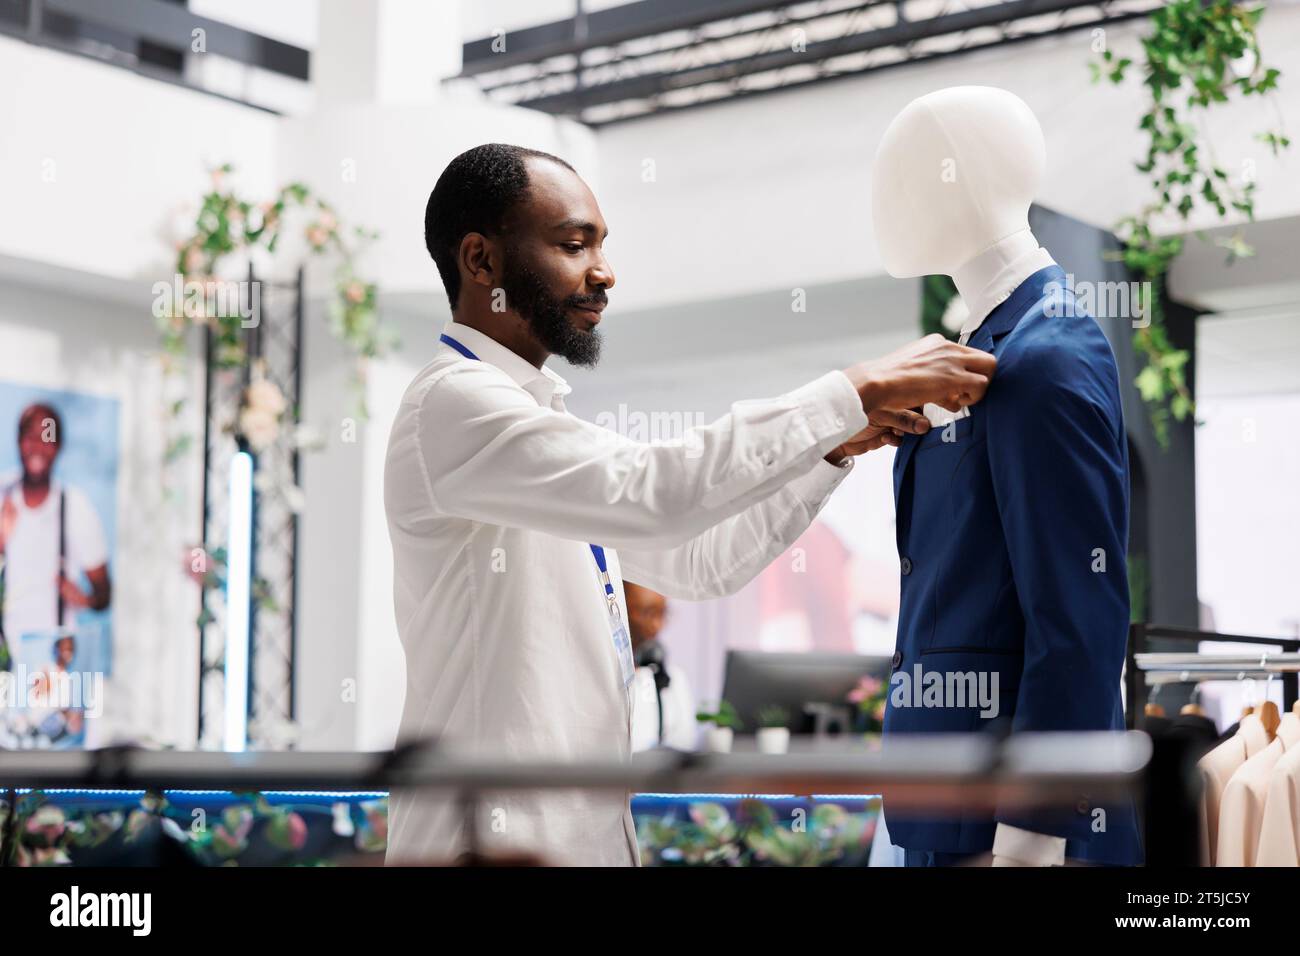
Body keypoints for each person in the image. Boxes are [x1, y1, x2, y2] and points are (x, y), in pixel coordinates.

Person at [382, 143, 997, 866]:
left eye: (602, 246)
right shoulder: (454, 404)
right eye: (574, 245)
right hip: (488, 847)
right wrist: (850, 390)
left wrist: (832, 448)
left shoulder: (529, 419)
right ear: (480, 261)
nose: (603, 273)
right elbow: (658, 493)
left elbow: (702, 561)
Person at [0, 403, 111, 667]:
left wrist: (85, 599)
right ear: (18, 441)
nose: (38, 446)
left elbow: (104, 593)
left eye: (46, 438)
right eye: (30, 436)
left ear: (58, 447)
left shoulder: (76, 507)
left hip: (49, 667)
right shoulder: (2, 495)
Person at [623, 581, 695, 752]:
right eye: (647, 613)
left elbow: (684, 743)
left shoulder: (673, 679)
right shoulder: (601, 679)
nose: (656, 625)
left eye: (662, 614)